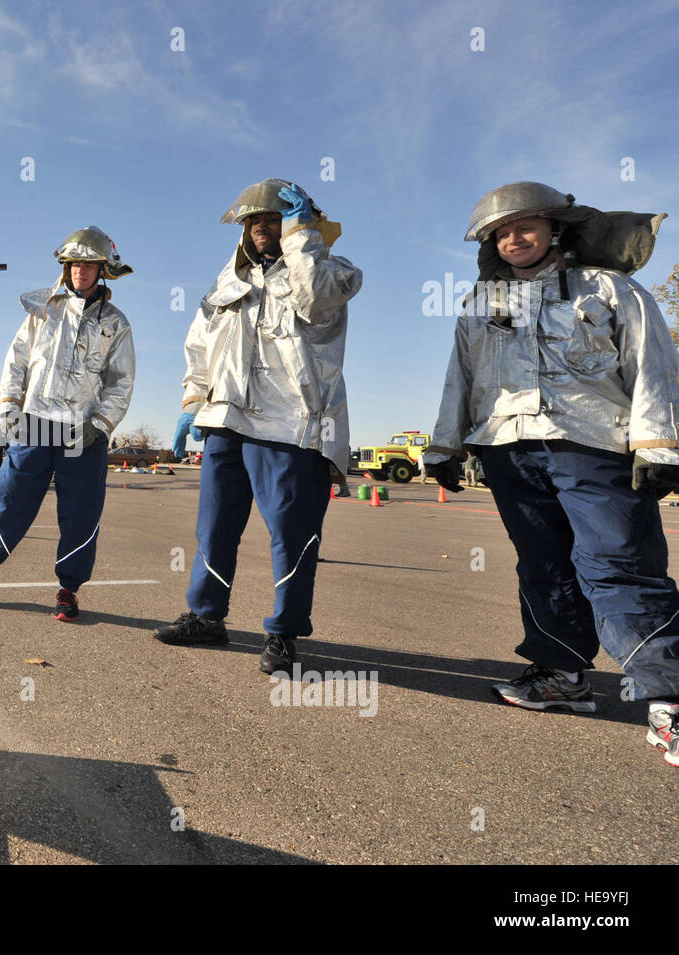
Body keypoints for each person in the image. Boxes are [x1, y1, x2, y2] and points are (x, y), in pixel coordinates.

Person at [422, 181, 679, 767]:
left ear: (555, 229)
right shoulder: (478, 306)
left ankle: (671, 700)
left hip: (592, 445)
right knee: (542, 563)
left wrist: (660, 444)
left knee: (619, 564)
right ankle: (562, 675)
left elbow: (653, 364)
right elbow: (459, 380)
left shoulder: (611, 289)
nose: (513, 238)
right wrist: (443, 447)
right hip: (509, 450)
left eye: (525, 227)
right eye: (500, 233)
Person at [152, 180, 362, 674]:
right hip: (226, 418)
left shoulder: (334, 272)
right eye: (255, 221)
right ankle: (206, 617)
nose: (263, 227)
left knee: (292, 533)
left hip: (293, 425)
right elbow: (199, 348)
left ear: (299, 223)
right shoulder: (226, 284)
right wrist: (192, 401)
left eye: (274, 218)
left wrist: (302, 235)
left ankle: (284, 633)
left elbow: (312, 302)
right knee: (215, 527)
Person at [0, 226, 135, 621]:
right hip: (34, 421)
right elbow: (16, 361)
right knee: (10, 496)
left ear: (102, 269)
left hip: (82, 430)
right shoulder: (44, 309)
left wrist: (101, 423)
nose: (80, 271)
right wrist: (10, 408)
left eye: (89, 264)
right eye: (74, 264)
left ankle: (68, 589)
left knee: (81, 509)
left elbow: (121, 380)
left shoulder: (116, 322)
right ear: (65, 267)